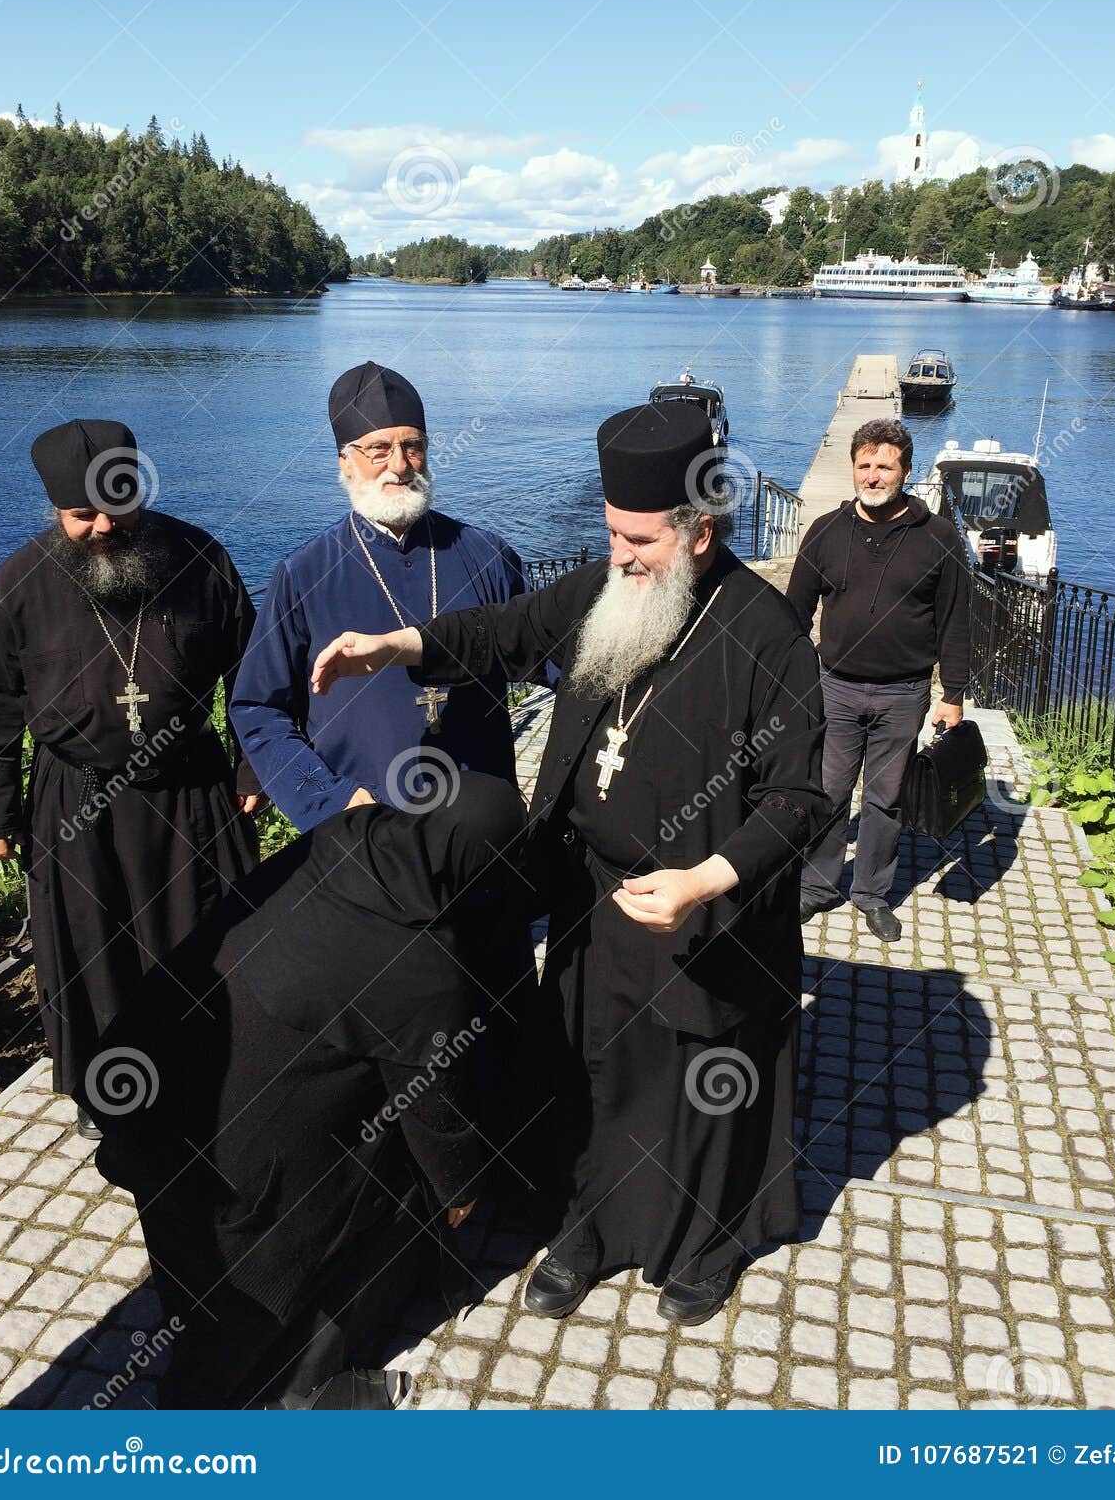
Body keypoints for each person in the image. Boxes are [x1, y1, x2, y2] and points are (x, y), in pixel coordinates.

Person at [311, 403, 826, 1327]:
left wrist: (708, 878)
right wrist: (398, 647)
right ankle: (585, 1228)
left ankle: (702, 1246)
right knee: (591, 1069)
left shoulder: (768, 633)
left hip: (705, 910)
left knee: (701, 1083)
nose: (620, 556)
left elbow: (800, 798)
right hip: (596, 893)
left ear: (700, 532)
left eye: (638, 541)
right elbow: (503, 632)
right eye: (612, 535)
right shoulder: (602, 589)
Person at [77, 774, 531, 1409]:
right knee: (247, 1317)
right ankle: (292, 1393)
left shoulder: (343, 837)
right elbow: (437, 1112)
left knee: (191, 1267)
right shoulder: (423, 966)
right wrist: (460, 1189)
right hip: (240, 1183)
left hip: (154, 1089)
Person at [0, 420, 262, 1133]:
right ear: (55, 510)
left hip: (191, 792)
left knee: (204, 938)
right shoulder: (19, 582)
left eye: (118, 504)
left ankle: (210, 1071)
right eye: (83, 514)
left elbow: (252, 672)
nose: (104, 526)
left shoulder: (199, 558)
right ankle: (110, 1089)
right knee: (92, 950)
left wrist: (252, 764)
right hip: (75, 798)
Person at [230, 360, 526, 830]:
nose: (400, 465)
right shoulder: (304, 573)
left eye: (413, 446)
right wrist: (330, 800)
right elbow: (259, 708)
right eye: (379, 450)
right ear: (345, 461)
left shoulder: (487, 555)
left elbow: (549, 657)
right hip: (362, 822)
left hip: (481, 822)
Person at [787, 417, 969, 942]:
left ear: (905, 471)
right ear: (853, 470)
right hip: (835, 687)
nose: (872, 475)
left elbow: (956, 621)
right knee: (828, 791)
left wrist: (952, 695)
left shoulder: (938, 537)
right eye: (863, 465)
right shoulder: (826, 531)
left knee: (885, 798)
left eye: (883, 466)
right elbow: (794, 615)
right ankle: (818, 886)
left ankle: (871, 893)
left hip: (904, 692)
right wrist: (789, 679)